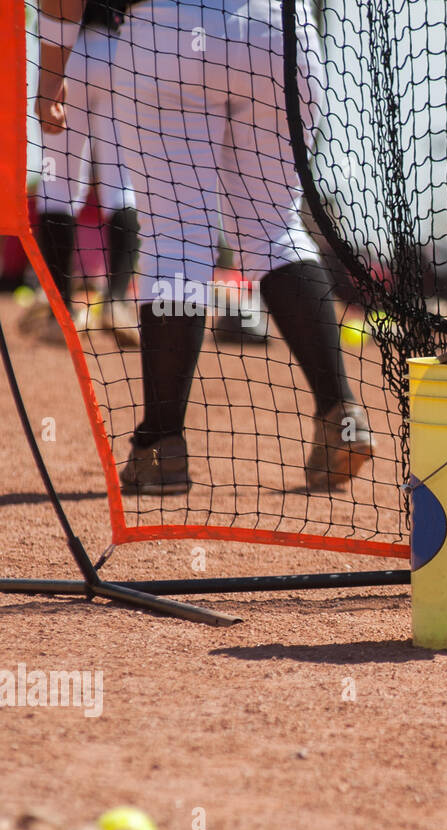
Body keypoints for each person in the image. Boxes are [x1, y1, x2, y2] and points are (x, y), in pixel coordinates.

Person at [36, 0, 372, 495]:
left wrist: (49, 74)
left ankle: (161, 448)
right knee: (273, 228)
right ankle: (340, 413)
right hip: (279, 32)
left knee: (176, 236)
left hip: (171, 33)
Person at [25, 0, 140, 347]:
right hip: (124, 50)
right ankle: (116, 300)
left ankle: (61, 312)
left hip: (65, 49)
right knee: (122, 184)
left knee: (57, 185)